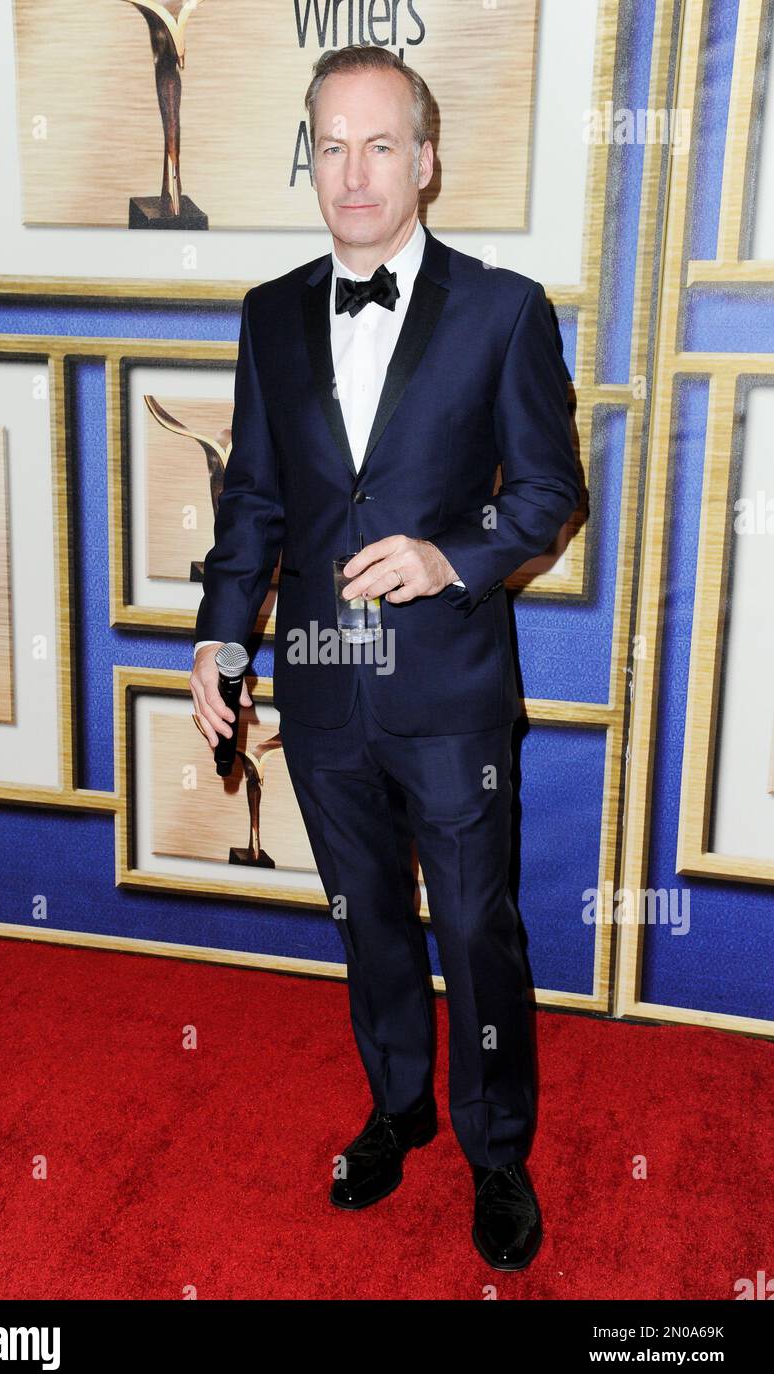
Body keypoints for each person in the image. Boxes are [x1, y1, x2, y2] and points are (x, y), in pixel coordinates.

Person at [189, 43, 581, 1272]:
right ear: (311, 157)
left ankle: (497, 1147)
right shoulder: (267, 313)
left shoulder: (504, 309)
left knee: (474, 927)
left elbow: (549, 495)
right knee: (366, 922)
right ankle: (400, 1103)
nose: (354, 172)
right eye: (332, 144)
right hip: (316, 686)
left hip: (451, 691)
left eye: (381, 144)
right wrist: (216, 627)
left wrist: (448, 554)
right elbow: (253, 497)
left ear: (426, 160)